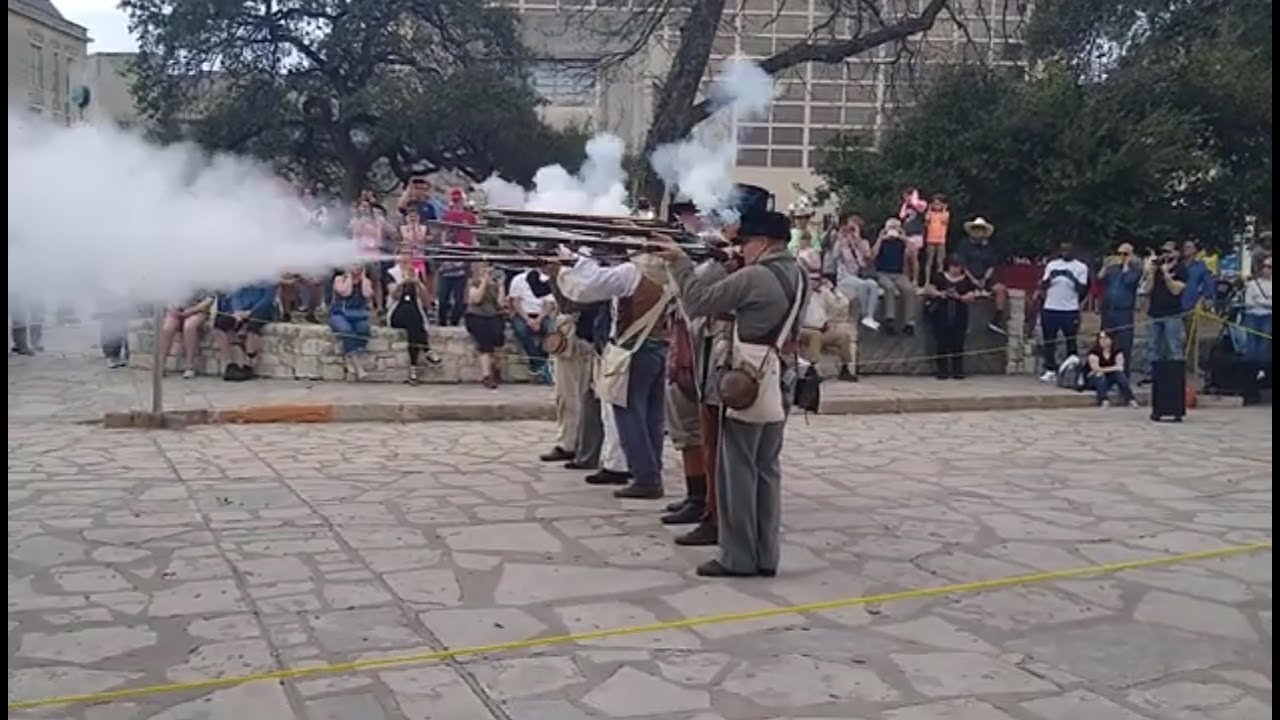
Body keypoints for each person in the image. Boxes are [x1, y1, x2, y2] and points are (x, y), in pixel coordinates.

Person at [660, 210, 809, 578]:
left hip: (749, 379)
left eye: (746, 243)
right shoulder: (800, 274)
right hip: (779, 377)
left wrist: (679, 262)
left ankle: (738, 557)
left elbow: (696, 302)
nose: (741, 250)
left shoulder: (756, 275)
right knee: (766, 470)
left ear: (763, 243)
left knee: (737, 472)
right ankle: (765, 555)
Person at [555, 249, 675, 500]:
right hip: (659, 348)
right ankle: (651, 470)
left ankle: (645, 477)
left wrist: (577, 260)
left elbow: (586, 287)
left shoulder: (632, 272)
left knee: (628, 414)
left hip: (633, 351)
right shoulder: (670, 270)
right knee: (651, 417)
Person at [386, 250, 443, 384]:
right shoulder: (391, 273)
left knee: (413, 322)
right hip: (396, 312)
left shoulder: (417, 273)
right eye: (402, 254)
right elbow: (393, 295)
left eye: (408, 254)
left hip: (415, 314)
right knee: (410, 313)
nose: (405, 257)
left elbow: (427, 301)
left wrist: (418, 283)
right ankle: (427, 350)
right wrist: (403, 282)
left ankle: (413, 371)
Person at [1038, 241, 1089, 382]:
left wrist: (1070, 277)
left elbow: (1082, 290)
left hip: (1069, 309)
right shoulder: (1052, 265)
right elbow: (1043, 285)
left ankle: (1071, 369)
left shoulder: (1081, 267)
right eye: (1063, 250)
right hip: (1050, 307)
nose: (1065, 253)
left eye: (1068, 250)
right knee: (1049, 340)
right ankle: (1050, 368)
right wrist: (1050, 278)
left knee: (1071, 340)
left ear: (1074, 251)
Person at [798, 260, 857, 381]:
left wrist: (834, 291)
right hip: (803, 330)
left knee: (843, 336)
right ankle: (811, 369)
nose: (814, 283)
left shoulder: (823, 292)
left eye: (816, 280)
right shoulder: (801, 293)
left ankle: (845, 368)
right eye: (811, 280)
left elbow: (840, 306)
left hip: (823, 329)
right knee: (816, 336)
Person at [1140, 241, 1188, 383]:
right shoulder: (1157, 269)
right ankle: (1151, 375)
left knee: (1173, 346)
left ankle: (1176, 376)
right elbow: (1146, 290)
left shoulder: (1181, 269)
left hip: (1172, 313)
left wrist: (1166, 273)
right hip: (1155, 312)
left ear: (1176, 253)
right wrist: (1151, 273)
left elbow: (1175, 290)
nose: (1165, 255)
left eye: (1169, 252)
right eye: (1163, 252)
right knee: (1153, 345)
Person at [923, 255, 977, 379]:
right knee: (942, 343)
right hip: (942, 314)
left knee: (958, 343)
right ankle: (942, 370)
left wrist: (959, 297)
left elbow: (971, 295)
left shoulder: (965, 280)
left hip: (959, 314)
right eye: (954, 266)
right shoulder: (939, 277)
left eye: (958, 266)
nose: (956, 269)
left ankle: (958, 370)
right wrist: (940, 294)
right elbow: (929, 289)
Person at [213, 284, 275, 381]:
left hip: (262, 311)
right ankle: (230, 363)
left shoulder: (267, 279)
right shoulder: (242, 276)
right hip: (241, 311)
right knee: (220, 324)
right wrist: (237, 311)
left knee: (253, 326)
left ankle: (249, 365)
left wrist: (250, 312)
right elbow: (235, 295)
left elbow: (267, 300)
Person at [1097, 242, 1143, 374]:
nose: (1122, 256)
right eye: (1120, 254)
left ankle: (1123, 376)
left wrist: (1127, 264)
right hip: (1108, 311)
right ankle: (1105, 374)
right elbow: (1100, 278)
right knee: (1104, 342)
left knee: (1124, 345)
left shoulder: (1135, 270)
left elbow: (1129, 281)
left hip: (1124, 313)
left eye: (1125, 254)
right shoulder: (1113, 269)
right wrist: (1106, 265)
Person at [831, 213, 880, 331]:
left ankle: (869, 316)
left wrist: (857, 241)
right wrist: (842, 239)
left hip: (857, 277)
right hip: (844, 278)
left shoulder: (863, 243)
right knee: (863, 285)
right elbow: (834, 256)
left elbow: (866, 260)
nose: (851, 231)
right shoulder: (842, 242)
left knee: (873, 285)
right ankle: (863, 314)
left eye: (854, 228)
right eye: (850, 228)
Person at [959, 217, 1008, 334]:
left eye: (981, 230)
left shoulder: (988, 248)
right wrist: (973, 279)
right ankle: (964, 323)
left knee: (1001, 289)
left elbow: (991, 265)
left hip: (985, 278)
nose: (978, 232)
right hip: (968, 278)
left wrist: (985, 279)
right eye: (976, 229)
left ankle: (996, 320)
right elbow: (962, 265)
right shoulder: (964, 245)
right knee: (965, 295)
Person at [463, 260, 507, 389]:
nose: (486, 270)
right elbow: (476, 299)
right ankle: (486, 375)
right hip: (476, 315)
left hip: (493, 314)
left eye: (488, 267)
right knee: (484, 341)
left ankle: (496, 368)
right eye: (483, 267)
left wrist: (501, 287)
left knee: (498, 337)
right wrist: (483, 282)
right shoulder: (473, 282)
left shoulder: (495, 284)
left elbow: (500, 303)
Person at [871, 218, 919, 335]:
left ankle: (909, 323)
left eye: (895, 227)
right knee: (889, 287)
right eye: (891, 227)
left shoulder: (902, 242)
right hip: (882, 272)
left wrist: (904, 237)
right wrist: (880, 238)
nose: (893, 230)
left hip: (899, 274)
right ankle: (889, 319)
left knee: (909, 289)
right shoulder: (882, 242)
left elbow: (913, 253)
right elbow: (872, 255)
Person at [508, 269, 555, 384]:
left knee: (551, 330)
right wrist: (528, 319)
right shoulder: (518, 279)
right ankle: (539, 364)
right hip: (523, 314)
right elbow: (516, 302)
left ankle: (539, 362)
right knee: (521, 330)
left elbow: (549, 304)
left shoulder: (546, 280)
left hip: (541, 314)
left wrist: (539, 319)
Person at [329, 266, 375, 380]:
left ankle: (350, 355)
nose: (357, 267)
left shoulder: (366, 281)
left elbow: (367, 294)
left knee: (363, 329)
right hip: (339, 314)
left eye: (360, 265)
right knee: (346, 330)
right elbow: (345, 293)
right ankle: (356, 363)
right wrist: (349, 277)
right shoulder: (339, 279)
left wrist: (363, 278)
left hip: (358, 314)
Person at [157, 291, 213, 378]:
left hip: (198, 311)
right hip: (177, 310)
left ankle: (189, 366)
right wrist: (173, 308)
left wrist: (191, 310)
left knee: (189, 326)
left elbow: (209, 300)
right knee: (167, 328)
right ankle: (161, 365)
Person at [1241, 255, 1271, 405]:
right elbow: (1249, 303)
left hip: (1268, 317)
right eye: (1267, 266)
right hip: (1253, 316)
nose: (1268, 270)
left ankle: (1262, 371)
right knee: (1251, 346)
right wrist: (1266, 302)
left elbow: (1257, 301)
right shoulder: (1252, 284)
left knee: (1264, 345)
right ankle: (1252, 375)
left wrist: (1260, 301)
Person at [1085, 330, 1138, 407]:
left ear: (1111, 340)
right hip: (1094, 379)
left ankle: (1130, 399)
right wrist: (1113, 368)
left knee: (1120, 375)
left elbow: (1120, 368)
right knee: (1100, 375)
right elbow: (1096, 369)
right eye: (1101, 338)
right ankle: (1104, 400)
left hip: (1108, 378)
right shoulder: (1094, 352)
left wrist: (1105, 370)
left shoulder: (1117, 351)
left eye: (1105, 338)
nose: (1103, 340)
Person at [923, 194, 950, 281]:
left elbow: (944, 220)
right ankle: (927, 281)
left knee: (940, 261)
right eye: (935, 204)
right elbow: (926, 222)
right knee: (929, 261)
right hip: (930, 239)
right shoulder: (930, 213)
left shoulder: (946, 213)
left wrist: (944, 209)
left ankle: (939, 281)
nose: (936, 206)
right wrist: (929, 210)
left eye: (939, 204)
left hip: (941, 240)